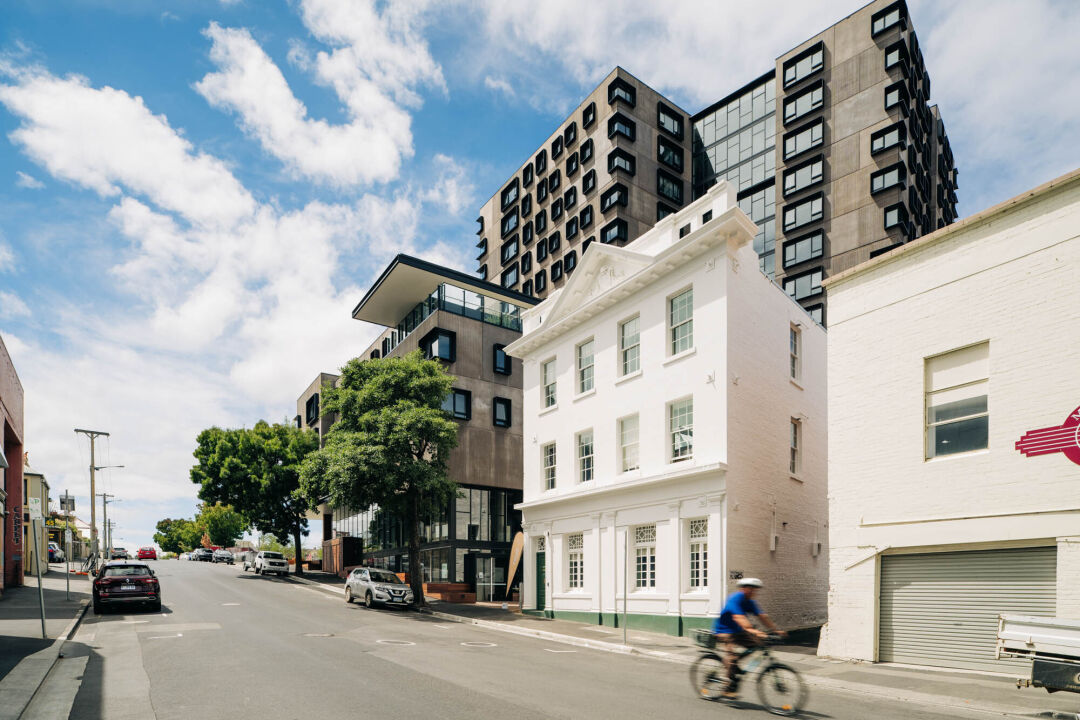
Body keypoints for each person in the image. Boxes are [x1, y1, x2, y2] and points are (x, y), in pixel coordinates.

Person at [712, 577, 785, 699]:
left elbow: (762, 616)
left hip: (738, 631)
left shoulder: (750, 602)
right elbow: (739, 618)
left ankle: (734, 666)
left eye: (755, 590)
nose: (754, 592)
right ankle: (727, 688)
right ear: (743, 589)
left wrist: (775, 630)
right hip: (724, 631)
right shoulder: (734, 599)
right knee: (732, 658)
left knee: (759, 645)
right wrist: (755, 631)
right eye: (751, 589)